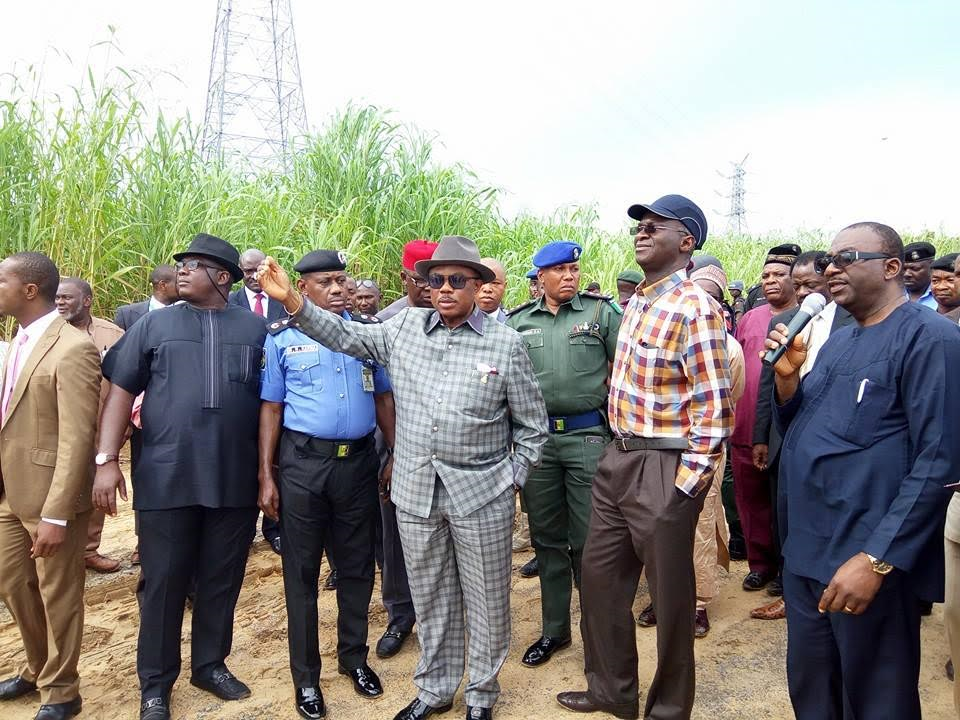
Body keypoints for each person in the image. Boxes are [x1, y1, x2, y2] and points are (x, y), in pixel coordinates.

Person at [256, 235, 548, 720]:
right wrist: (291, 298)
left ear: (477, 285)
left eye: (457, 280)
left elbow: (533, 427)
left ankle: (481, 694)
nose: (446, 288)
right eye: (437, 280)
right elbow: (340, 334)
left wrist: (511, 480)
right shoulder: (404, 328)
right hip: (416, 494)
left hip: (482, 494)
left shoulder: (506, 343)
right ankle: (436, 689)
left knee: (487, 600)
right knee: (431, 597)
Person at [768, 221, 960, 720]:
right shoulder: (839, 341)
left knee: (877, 700)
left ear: (892, 267)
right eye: (828, 260)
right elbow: (806, 429)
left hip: (863, 555)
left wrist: (877, 559)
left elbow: (939, 461)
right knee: (813, 690)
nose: (832, 269)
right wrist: (788, 385)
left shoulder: (931, 338)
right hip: (807, 552)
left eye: (846, 258)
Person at [558, 194, 733, 720]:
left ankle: (669, 709)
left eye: (657, 226)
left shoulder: (695, 308)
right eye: (640, 225)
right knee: (600, 582)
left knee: (672, 602)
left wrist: (685, 488)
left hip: (664, 465)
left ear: (687, 242)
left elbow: (713, 408)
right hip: (619, 458)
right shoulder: (637, 302)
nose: (642, 232)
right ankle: (612, 692)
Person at [93, 234, 267, 720]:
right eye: (182, 264)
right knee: (163, 583)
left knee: (222, 578)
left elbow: (271, 403)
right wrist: (106, 459)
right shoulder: (154, 325)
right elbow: (120, 391)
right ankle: (155, 684)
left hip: (233, 478)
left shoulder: (256, 331)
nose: (183, 270)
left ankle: (210, 666)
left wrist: (267, 473)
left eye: (195, 264)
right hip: (166, 476)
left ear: (223, 277)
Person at [258, 250, 395, 719]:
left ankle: (353, 659)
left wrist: (395, 454)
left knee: (357, 568)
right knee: (301, 574)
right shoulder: (281, 338)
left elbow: (383, 399)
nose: (338, 289)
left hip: (357, 465)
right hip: (304, 466)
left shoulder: (366, 335)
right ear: (303, 288)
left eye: (341, 280)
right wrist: (266, 474)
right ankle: (306, 678)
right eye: (325, 282)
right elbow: (271, 408)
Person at [507, 241, 622, 667]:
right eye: (559, 270)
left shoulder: (600, 313)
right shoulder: (518, 322)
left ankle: (598, 633)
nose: (569, 276)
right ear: (541, 278)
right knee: (547, 540)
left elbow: (626, 369)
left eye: (574, 269)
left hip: (587, 438)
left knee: (590, 542)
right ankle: (555, 630)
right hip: (537, 442)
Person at [0, 252, 101, 720]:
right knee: (14, 584)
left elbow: (78, 437)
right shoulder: (16, 342)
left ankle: (62, 691)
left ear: (29, 290)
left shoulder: (73, 348)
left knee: (58, 595)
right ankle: (37, 666)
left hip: (49, 499)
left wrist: (56, 514)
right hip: (9, 492)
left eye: (1, 280)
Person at [637, 261, 744, 638]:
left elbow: (727, 399)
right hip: (660, 448)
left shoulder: (729, 348)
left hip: (703, 450)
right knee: (658, 523)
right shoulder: (658, 337)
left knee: (699, 525)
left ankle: (698, 603)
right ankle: (662, 596)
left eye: (712, 295)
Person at [749, 251, 855, 621]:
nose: (805, 292)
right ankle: (789, 589)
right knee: (785, 515)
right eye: (799, 286)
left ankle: (832, 589)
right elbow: (768, 382)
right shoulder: (785, 322)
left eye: (811, 284)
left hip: (834, 440)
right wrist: (761, 436)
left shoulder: (852, 321)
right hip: (786, 435)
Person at [373, 239, 438, 660]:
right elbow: (382, 397)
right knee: (394, 535)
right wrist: (395, 453)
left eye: (440, 279)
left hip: (448, 446)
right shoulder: (384, 325)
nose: (433, 289)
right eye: (422, 281)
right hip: (397, 445)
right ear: (404, 278)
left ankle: (445, 613)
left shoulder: (457, 318)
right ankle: (400, 615)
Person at [732, 244, 799, 594]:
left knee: (783, 502)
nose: (771, 280)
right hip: (745, 423)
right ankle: (760, 565)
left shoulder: (806, 318)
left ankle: (788, 568)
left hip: (785, 425)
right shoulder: (750, 318)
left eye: (779, 275)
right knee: (750, 498)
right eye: (766, 275)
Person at [55, 277, 126, 573]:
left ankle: (88, 549)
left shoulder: (114, 334)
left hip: (100, 427)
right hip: (57, 427)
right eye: (57, 298)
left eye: (66, 298)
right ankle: (54, 552)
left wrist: (123, 428)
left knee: (96, 487)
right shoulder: (48, 333)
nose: (60, 303)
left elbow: (125, 381)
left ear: (86, 301)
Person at [227, 247, 282, 553]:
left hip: (276, 396)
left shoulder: (283, 301)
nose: (252, 276)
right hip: (244, 394)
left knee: (275, 460)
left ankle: (274, 527)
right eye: (247, 271)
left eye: (257, 269)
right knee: (244, 460)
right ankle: (243, 531)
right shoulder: (229, 302)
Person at [379, 239, 438, 318]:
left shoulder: (452, 314)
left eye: (436, 280)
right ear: (404, 278)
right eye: (421, 281)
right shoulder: (387, 320)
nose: (429, 288)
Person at [228, 248, 285, 322]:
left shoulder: (283, 299)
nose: (254, 276)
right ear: (240, 271)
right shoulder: (230, 303)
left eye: (259, 270)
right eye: (248, 271)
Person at [114, 264, 178, 330]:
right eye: (178, 283)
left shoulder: (183, 313)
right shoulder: (126, 315)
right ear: (163, 285)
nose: (182, 287)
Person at [901, 240, 937, 308]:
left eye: (915, 269)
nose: (906, 274)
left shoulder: (942, 295)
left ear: (932, 267)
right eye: (903, 269)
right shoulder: (893, 294)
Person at [477, 257, 507, 322]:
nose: (487, 289)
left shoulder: (514, 324)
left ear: (505, 286)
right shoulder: (456, 322)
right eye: (481, 282)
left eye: (495, 283)